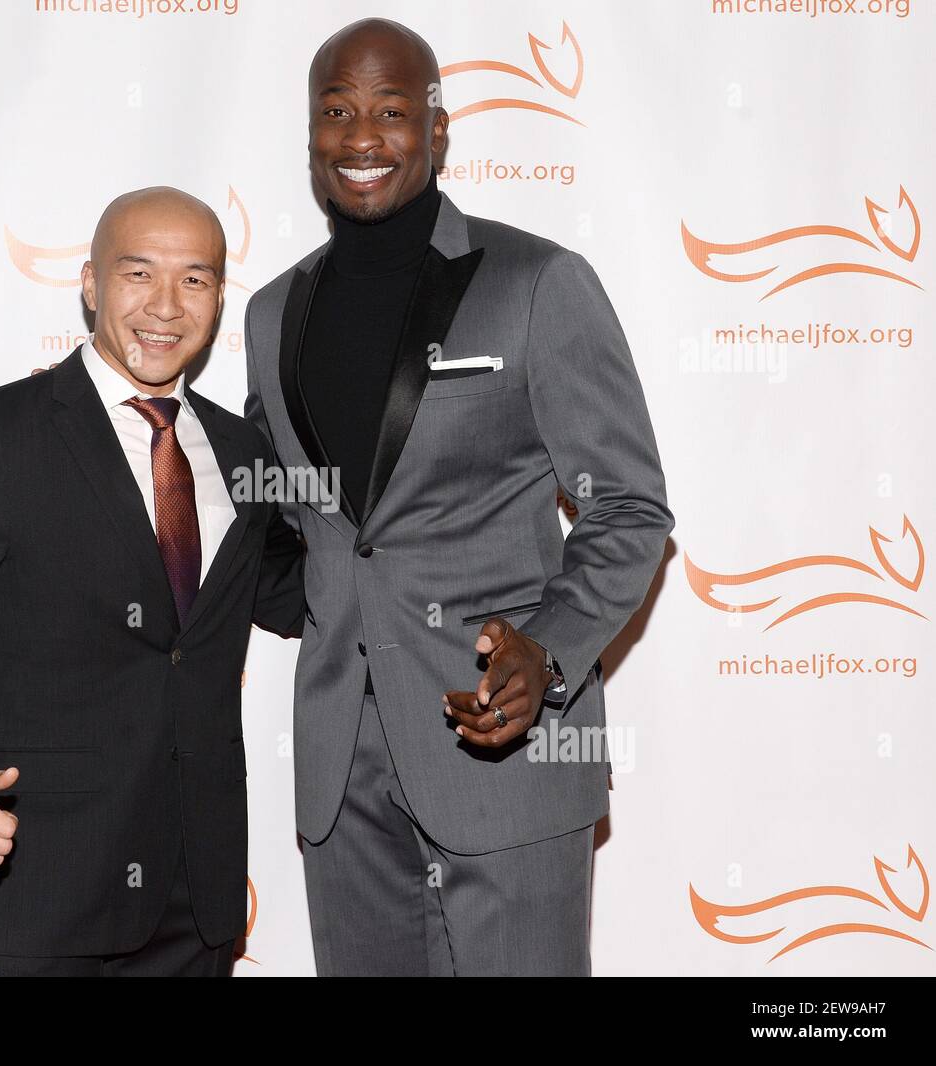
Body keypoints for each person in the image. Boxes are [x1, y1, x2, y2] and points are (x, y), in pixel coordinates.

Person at [243, 19, 674, 976]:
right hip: (338, 771)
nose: (363, 137)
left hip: (504, 753)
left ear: (439, 131)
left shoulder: (537, 283)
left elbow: (630, 507)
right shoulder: (271, 313)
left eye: (392, 112)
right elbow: (280, 509)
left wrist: (549, 653)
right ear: (310, 136)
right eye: (338, 112)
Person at [0, 187, 305, 976]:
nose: (166, 306)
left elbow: (302, 595)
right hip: (30, 893)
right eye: (138, 273)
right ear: (92, 284)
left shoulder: (245, 455)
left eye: (195, 279)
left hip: (194, 906)